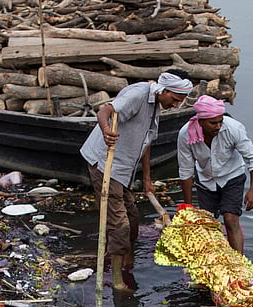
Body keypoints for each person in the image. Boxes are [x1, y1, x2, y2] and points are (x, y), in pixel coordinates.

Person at [81, 69, 193, 293]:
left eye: (180, 101)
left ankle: (126, 259)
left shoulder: (157, 106)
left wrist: (147, 179)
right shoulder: (138, 95)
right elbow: (105, 111)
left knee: (132, 218)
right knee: (120, 225)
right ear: (163, 90)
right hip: (105, 163)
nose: (176, 105)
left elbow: (146, 143)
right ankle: (117, 280)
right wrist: (106, 131)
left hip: (125, 169)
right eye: (174, 99)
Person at [176, 95, 253, 253]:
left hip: (232, 176)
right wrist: (188, 207)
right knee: (208, 223)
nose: (218, 126)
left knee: (230, 219)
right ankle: (215, 260)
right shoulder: (185, 134)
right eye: (213, 123)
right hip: (205, 179)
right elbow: (186, 170)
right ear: (201, 121)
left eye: (220, 121)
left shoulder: (233, 128)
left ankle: (238, 261)